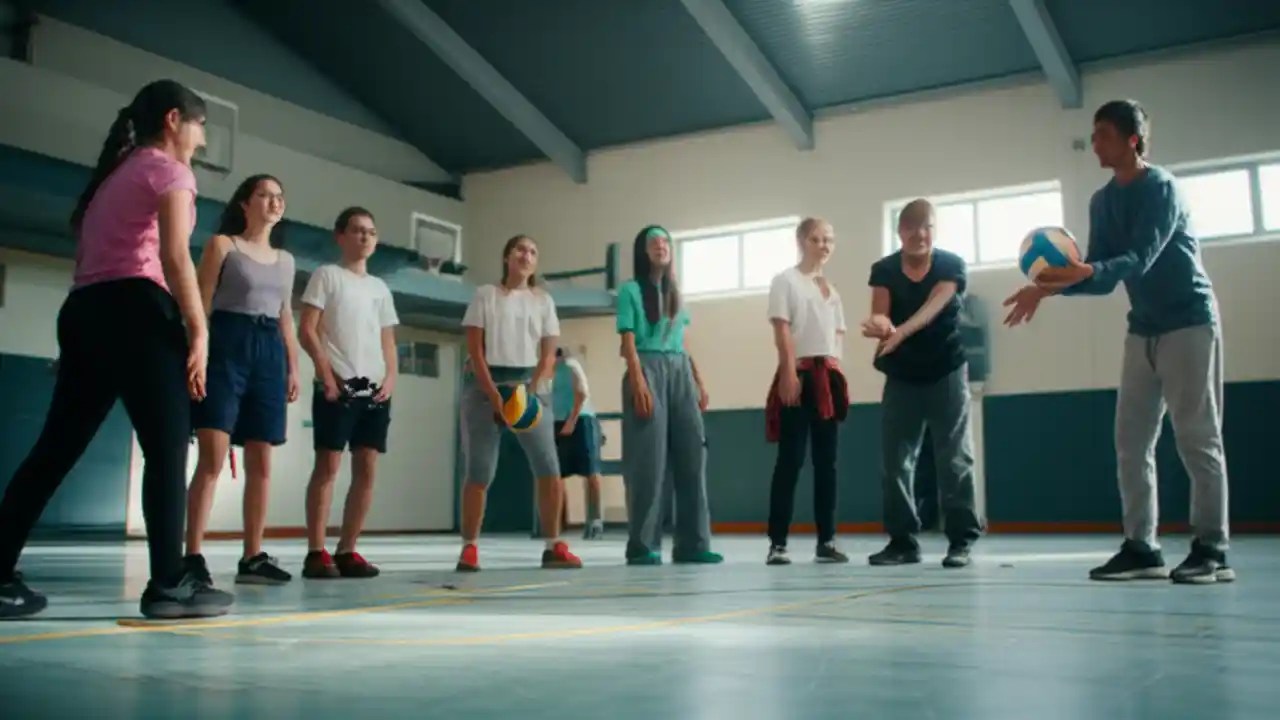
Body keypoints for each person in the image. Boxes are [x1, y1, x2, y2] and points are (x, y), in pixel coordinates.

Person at [0, 80, 235, 619]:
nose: (201, 140)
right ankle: (169, 584)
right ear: (176, 120)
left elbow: (93, 267)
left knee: (53, 451)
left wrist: (85, 340)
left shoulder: (113, 176)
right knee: (169, 446)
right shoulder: (170, 171)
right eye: (200, 127)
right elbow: (176, 259)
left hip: (86, 310)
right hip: (137, 310)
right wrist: (198, 331)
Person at [1003, 99, 1233, 584]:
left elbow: (1139, 258)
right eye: (1093, 135)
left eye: (1103, 134)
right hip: (1142, 329)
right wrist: (1044, 288)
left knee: (1197, 439)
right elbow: (1101, 276)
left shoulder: (1162, 189)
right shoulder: (1101, 201)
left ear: (1132, 139)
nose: (1095, 144)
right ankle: (1141, 547)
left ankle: (1212, 548)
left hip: (1190, 322)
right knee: (1130, 441)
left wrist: (1079, 272)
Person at [184, 174, 299, 586]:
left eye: (279, 196)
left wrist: (293, 366)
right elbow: (200, 302)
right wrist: (196, 352)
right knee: (212, 458)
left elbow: (286, 315)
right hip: (226, 347)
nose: (273, 201)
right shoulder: (223, 246)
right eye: (264, 194)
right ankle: (192, 555)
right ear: (245, 204)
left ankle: (252, 557)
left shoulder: (286, 261)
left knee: (262, 462)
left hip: (269, 352)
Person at [862, 198, 984, 569]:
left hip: (946, 371)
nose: (920, 234)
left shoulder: (951, 265)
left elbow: (935, 305)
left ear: (935, 230)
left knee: (954, 458)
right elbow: (880, 311)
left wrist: (900, 331)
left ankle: (960, 540)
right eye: (912, 227)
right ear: (900, 232)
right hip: (901, 376)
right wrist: (882, 325)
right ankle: (902, 541)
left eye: (927, 226)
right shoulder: (883, 269)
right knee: (895, 461)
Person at [456, 235, 583, 572]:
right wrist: (495, 396)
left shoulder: (543, 301)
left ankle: (553, 544)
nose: (526, 255)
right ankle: (469, 547)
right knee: (479, 470)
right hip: (484, 387)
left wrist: (527, 391)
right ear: (507, 257)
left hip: (530, 386)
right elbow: (475, 352)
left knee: (549, 468)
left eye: (533, 252)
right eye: (520, 250)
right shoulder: (485, 295)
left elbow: (548, 356)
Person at [297, 207, 399, 579]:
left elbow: (388, 340)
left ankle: (347, 549)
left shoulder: (380, 288)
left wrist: (391, 379)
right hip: (337, 385)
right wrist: (326, 374)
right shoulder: (327, 276)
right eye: (357, 231)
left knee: (367, 469)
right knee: (328, 466)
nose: (365, 237)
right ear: (340, 236)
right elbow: (307, 330)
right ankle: (315, 551)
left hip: (375, 390)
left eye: (371, 232)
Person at [617, 225, 722, 566]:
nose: (660, 247)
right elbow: (628, 342)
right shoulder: (630, 291)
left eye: (665, 242)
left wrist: (699, 381)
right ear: (643, 251)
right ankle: (642, 544)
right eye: (653, 242)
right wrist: (638, 382)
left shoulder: (678, 294)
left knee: (693, 456)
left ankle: (693, 543)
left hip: (680, 372)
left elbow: (683, 341)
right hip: (646, 367)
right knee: (648, 461)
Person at [763, 217, 850, 565]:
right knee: (790, 460)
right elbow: (782, 329)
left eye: (828, 239)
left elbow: (838, 337)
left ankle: (826, 540)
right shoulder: (785, 281)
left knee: (826, 463)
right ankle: (778, 543)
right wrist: (787, 373)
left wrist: (838, 377)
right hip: (799, 374)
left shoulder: (832, 291)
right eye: (816, 239)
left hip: (827, 377)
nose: (823, 245)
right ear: (801, 241)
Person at [552, 348, 606, 540]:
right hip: (558, 421)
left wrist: (572, 420)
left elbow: (581, 393)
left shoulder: (570, 366)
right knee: (556, 474)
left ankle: (595, 521)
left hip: (580, 420)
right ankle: (557, 523)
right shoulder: (548, 373)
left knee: (591, 472)